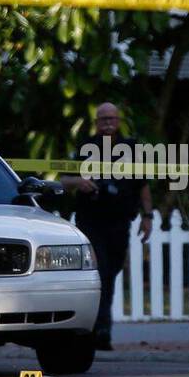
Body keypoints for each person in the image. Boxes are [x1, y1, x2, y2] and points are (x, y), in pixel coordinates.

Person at [59, 102, 153, 350]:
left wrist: (148, 216)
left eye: (112, 118)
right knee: (99, 274)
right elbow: (64, 180)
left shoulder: (132, 148)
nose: (108, 123)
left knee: (110, 274)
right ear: (97, 123)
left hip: (120, 222)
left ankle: (100, 329)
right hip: (91, 222)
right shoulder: (85, 147)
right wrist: (79, 181)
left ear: (119, 121)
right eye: (103, 119)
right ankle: (99, 332)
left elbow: (143, 185)